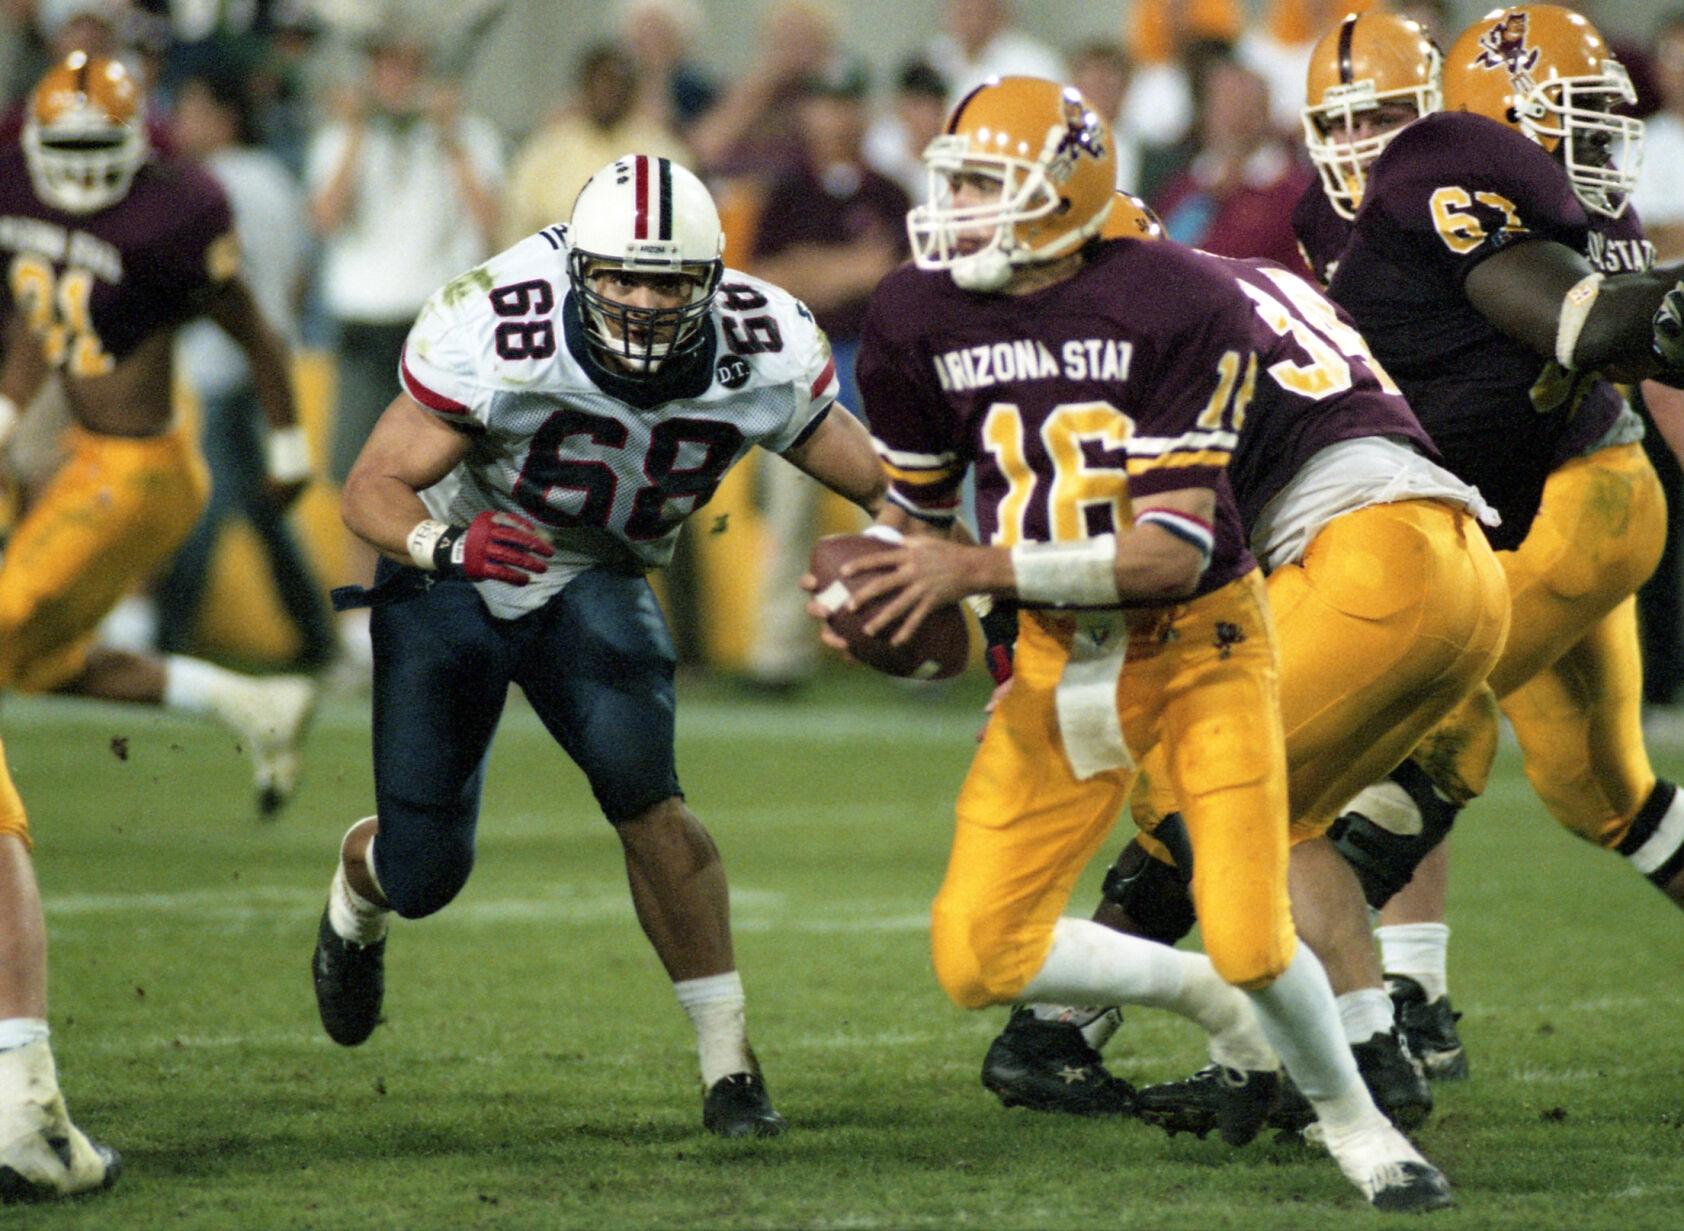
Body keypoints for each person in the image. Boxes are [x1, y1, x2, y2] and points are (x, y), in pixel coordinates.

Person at [821, 77, 1451, 1211]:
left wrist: (963, 570)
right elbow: (911, 515)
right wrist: (876, 594)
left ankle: (1364, 1132)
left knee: (1257, 934)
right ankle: (1210, 1004)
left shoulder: (1175, 299)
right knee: (976, 956)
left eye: (982, 186)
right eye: (952, 182)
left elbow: (1169, 550)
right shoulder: (918, 313)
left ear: (1063, 194)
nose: (954, 208)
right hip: (1063, 666)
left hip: (1201, 646)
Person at [308, 155, 887, 1138]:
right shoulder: (498, 324)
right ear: (579, 269)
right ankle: (358, 896)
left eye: (668, 280)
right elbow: (370, 488)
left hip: (593, 565)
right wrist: (449, 544)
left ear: (710, 280)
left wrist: (950, 571)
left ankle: (728, 1069)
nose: (644, 301)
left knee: (643, 785)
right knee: (427, 874)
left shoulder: (763, 344)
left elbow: (877, 478)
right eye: (622, 275)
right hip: (459, 558)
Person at [974, 190, 1508, 1136]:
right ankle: (1362, 1056)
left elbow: (1177, 549)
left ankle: (1320, 1059)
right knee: (1279, 813)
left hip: (1367, 568)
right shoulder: (1256, 282)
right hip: (1460, 569)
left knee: (1194, 784)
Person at [1322, 3, 1684, 1076]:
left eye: (1388, 113)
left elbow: (1614, 332)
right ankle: (1406, 996)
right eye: (1347, 120)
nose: (1370, 140)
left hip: (1573, 501)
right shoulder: (1353, 203)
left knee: (1410, 726)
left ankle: (1307, 1027)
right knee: (1601, 791)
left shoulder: (1509, 200)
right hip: (1509, 514)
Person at [0, 52, 317, 811]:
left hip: (141, 470)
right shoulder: (16, 188)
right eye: (64, 149)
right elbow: (44, 319)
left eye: (94, 148)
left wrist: (289, 444)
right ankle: (252, 703)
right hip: (94, 461)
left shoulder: (171, 214)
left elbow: (256, 332)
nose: (78, 171)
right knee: (38, 664)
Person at [306, 26, 503, 678]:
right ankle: (356, 643)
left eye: (406, 66)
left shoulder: (467, 136)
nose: (396, 80)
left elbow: (490, 223)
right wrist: (359, 133)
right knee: (359, 484)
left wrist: (449, 139)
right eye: (386, 67)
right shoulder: (341, 137)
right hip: (365, 327)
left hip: (438, 330)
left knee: (455, 492)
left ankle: (458, 634)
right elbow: (326, 218)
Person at [155, 70, 335, 671]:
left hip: (224, 360)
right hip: (269, 360)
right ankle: (315, 633)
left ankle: (168, 632)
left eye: (191, 108)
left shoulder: (212, 185)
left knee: (210, 502)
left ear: (223, 116)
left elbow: (210, 278)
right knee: (259, 505)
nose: (181, 123)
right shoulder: (276, 178)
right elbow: (301, 272)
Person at [744, 56, 908, 692]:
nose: (836, 116)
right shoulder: (786, 192)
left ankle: (906, 646)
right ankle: (775, 655)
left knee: (899, 505)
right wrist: (848, 269)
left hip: (876, 362)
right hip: (802, 364)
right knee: (788, 511)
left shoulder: (889, 191)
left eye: (847, 102)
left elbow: (900, 281)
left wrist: (811, 267)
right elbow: (763, 281)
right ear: (807, 112)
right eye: (825, 102)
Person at [500, 43, 689, 250]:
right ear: (582, 89)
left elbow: (682, 224)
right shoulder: (547, 150)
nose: (607, 93)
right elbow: (517, 222)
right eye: (599, 84)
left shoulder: (662, 151)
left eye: (616, 85)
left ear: (632, 92)